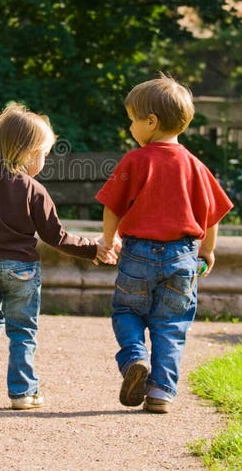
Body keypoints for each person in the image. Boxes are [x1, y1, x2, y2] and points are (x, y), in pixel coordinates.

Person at [0, 102, 118, 410]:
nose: (44, 160)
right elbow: (55, 236)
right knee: (22, 330)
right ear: (30, 152)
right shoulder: (34, 190)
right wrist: (93, 249)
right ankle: (22, 391)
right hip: (22, 270)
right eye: (44, 153)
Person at [95, 74, 233, 414]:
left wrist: (108, 241)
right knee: (171, 326)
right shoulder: (196, 166)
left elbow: (112, 206)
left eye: (132, 121)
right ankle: (160, 393)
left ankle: (134, 359)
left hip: (138, 253)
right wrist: (208, 251)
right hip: (183, 257)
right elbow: (212, 217)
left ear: (151, 122)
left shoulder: (135, 160)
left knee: (127, 311)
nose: (130, 128)